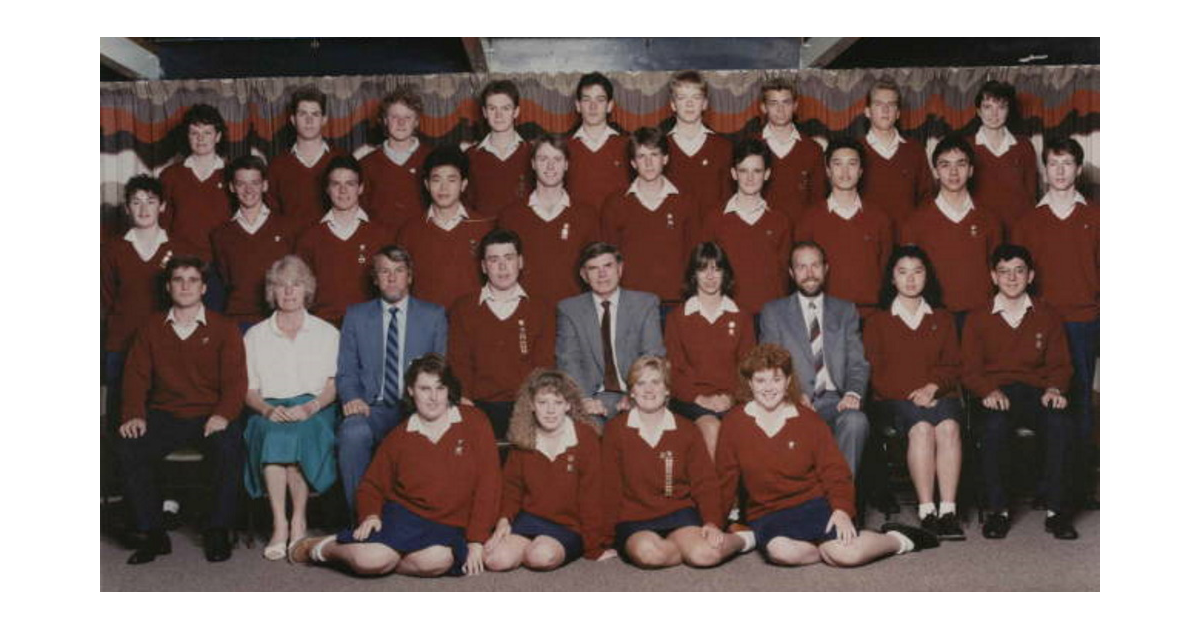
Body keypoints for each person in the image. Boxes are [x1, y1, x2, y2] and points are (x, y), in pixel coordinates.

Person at [714, 344, 938, 566]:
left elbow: (835, 472)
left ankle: (898, 539)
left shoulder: (809, 420)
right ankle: (826, 549)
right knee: (782, 553)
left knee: (846, 556)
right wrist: (713, 523)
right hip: (768, 512)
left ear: (788, 381)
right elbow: (725, 479)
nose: (769, 387)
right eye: (761, 380)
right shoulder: (734, 423)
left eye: (776, 379)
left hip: (814, 503)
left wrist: (841, 510)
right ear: (750, 383)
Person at [290, 354, 501, 577]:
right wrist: (371, 515)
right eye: (424, 389)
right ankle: (319, 548)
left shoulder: (475, 421)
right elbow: (371, 485)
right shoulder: (400, 436)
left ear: (449, 390)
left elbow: (489, 484)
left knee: (437, 561)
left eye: (440, 388)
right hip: (405, 517)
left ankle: (387, 559)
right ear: (411, 391)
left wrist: (477, 540)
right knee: (371, 561)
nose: (433, 398)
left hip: (451, 524)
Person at [115, 255, 247, 564]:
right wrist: (133, 414)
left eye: (193, 280)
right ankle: (152, 532)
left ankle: (217, 529)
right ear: (168, 287)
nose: (185, 286)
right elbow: (135, 377)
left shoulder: (224, 328)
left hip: (209, 413)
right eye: (178, 280)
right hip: (166, 413)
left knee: (230, 446)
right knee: (128, 446)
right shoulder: (150, 328)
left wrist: (223, 414)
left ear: (203, 288)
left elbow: (235, 382)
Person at [962, 244, 1077, 540]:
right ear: (993, 276)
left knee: (1060, 424)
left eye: (1018, 271)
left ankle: (1057, 511)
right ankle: (998, 511)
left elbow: (1061, 363)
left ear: (1030, 275)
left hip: (1036, 391)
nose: (1011, 278)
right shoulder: (978, 317)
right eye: (1003, 272)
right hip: (996, 392)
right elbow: (969, 369)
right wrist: (987, 390)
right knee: (994, 428)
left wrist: (1055, 387)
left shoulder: (1047, 314)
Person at [1011, 137, 1099, 509]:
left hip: (1085, 320)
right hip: (1043, 323)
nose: (1060, 171)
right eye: (1053, 164)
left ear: (1078, 169)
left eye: (1067, 164)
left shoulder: (1097, 216)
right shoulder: (1029, 222)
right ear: (1044, 171)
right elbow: (1016, 280)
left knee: (1079, 401)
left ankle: (1075, 488)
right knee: (1047, 402)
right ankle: (1047, 483)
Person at [600, 356, 744, 568]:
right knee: (649, 555)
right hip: (634, 517)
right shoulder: (615, 430)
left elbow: (705, 482)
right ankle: (682, 547)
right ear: (631, 391)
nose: (649, 389)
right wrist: (602, 538)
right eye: (641, 383)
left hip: (678, 511)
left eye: (656, 382)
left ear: (667, 389)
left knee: (706, 556)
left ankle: (744, 539)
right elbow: (607, 487)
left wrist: (712, 523)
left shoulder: (687, 429)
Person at [241, 255, 340, 561]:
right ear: (272, 291)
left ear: (306, 289)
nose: (288, 292)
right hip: (268, 410)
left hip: (314, 409)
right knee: (273, 434)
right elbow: (248, 390)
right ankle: (279, 524)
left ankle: (298, 519)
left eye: (295, 284)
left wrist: (311, 407)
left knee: (298, 434)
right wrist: (266, 410)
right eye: (281, 285)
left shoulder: (327, 332)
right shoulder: (255, 335)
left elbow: (333, 386)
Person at [863, 245, 965, 540]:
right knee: (921, 428)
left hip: (940, 395)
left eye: (918, 272)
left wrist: (933, 387)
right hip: (895, 400)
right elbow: (876, 373)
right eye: (902, 272)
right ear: (892, 279)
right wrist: (915, 395)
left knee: (947, 427)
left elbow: (954, 364)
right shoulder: (877, 321)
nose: (910, 279)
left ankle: (948, 510)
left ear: (927, 277)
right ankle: (926, 511)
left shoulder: (942, 318)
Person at [336, 245, 448, 513]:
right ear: (375, 278)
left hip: (414, 407)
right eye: (384, 271)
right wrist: (352, 398)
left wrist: (427, 405)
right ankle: (361, 520)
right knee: (352, 433)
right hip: (370, 407)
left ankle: (417, 520)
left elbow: (440, 371)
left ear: (409, 276)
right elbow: (346, 370)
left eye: (398, 271)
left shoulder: (433, 316)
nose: (391, 278)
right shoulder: (356, 315)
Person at [759, 242, 870, 476]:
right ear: (791, 273)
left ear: (826, 269)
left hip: (836, 400)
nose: (809, 274)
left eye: (815, 266)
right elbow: (769, 365)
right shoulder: (773, 312)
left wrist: (853, 393)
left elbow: (857, 362)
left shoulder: (845, 310)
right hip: (792, 400)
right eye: (801, 267)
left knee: (856, 422)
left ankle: (841, 503)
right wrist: (792, 394)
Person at [483, 369, 607, 571]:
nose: (550, 410)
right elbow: (511, 490)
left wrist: (594, 547)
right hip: (530, 519)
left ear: (568, 405)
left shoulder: (584, 437)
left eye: (557, 403)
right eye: (543, 403)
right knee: (495, 560)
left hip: (568, 525)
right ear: (531, 404)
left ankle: (538, 546)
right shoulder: (523, 436)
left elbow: (592, 497)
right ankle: (529, 545)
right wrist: (504, 521)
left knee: (540, 556)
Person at [448, 228, 556, 439]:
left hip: (526, 405)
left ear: (521, 262)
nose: (502, 266)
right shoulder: (464, 308)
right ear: (484, 267)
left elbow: (544, 363)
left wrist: (531, 407)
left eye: (509, 258)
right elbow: (459, 362)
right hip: (478, 405)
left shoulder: (541, 308)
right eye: (494, 259)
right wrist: (466, 402)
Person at [899, 135, 1002, 331]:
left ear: (971, 170)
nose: (953, 172)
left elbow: (998, 274)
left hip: (980, 317)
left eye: (961, 164)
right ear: (935, 171)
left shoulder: (990, 220)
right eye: (945, 165)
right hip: (933, 317)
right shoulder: (915, 222)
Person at [555, 242, 666, 421]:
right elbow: (569, 361)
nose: (602, 274)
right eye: (593, 268)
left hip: (637, 393)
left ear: (620, 269)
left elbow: (652, 356)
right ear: (584, 275)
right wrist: (583, 399)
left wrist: (635, 395)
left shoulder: (645, 304)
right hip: (592, 396)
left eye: (608, 266)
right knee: (586, 430)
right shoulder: (569, 310)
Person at [664, 242, 755, 459]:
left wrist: (730, 398)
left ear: (725, 273)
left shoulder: (741, 317)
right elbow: (674, 369)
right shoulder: (677, 318)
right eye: (703, 268)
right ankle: (714, 494)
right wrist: (699, 399)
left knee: (745, 431)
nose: (710, 275)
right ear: (694, 274)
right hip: (689, 400)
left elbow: (748, 368)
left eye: (717, 268)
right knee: (712, 428)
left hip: (732, 399)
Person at [102, 175, 179, 424]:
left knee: (159, 420)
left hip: (166, 345)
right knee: (119, 418)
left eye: (151, 201)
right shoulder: (112, 250)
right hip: (121, 344)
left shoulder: (179, 248)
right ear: (126, 208)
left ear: (163, 206)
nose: (144, 209)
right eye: (136, 202)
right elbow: (103, 301)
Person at [601, 126, 700, 308]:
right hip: (630, 303)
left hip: (675, 302)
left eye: (654, 155)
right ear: (633, 162)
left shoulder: (686, 201)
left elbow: (693, 256)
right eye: (641, 156)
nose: (648, 163)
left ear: (665, 159)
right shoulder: (616, 203)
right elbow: (608, 260)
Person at [793, 138, 892, 318]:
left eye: (852, 164)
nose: (845, 172)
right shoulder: (809, 219)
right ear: (828, 170)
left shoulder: (879, 219)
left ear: (861, 171)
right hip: (825, 315)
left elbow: (886, 271)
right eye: (838, 164)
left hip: (871, 315)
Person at [498, 134, 601, 306]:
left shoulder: (586, 214)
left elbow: (596, 270)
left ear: (566, 164)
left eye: (557, 159)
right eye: (543, 159)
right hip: (525, 310)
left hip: (574, 312)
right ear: (533, 164)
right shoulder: (510, 216)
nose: (550, 166)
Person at [294, 155, 394, 326]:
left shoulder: (381, 235)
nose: (343, 191)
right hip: (322, 327)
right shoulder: (309, 238)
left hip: (370, 326)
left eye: (350, 184)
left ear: (360, 188)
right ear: (327, 189)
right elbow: (299, 292)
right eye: (336, 184)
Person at [700, 137, 793, 316]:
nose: (750, 178)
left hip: (770, 316)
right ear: (734, 173)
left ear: (767, 174)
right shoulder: (715, 219)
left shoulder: (780, 221)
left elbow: (784, 277)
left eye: (757, 171)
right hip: (727, 314)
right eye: (743, 171)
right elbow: (705, 273)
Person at [397, 145, 497, 309]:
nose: (443, 188)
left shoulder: (483, 227)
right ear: (427, 184)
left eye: (451, 180)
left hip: (472, 322)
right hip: (426, 325)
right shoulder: (409, 232)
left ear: (463, 184)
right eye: (436, 180)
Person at [210, 155, 296, 329]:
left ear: (265, 185)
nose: (248, 190)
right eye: (241, 184)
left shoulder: (287, 227)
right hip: (236, 321)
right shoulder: (221, 235)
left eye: (255, 183)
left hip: (278, 319)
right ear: (232, 187)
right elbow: (224, 282)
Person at [858, 78, 935, 227]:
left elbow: (927, 198)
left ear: (898, 113)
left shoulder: (915, 151)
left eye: (891, 105)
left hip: (907, 242)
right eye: (878, 104)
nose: (885, 110)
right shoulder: (854, 151)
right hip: (867, 239)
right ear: (867, 111)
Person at [159, 103, 230, 264]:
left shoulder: (232, 174)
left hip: (222, 263)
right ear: (187, 136)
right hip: (181, 263)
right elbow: (161, 224)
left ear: (218, 136)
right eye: (194, 133)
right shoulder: (170, 176)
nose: (201, 138)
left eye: (207, 132)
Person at [267, 86, 345, 228]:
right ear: (293, 119)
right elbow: (272, 217)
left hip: (333, 245)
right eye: (303, 114)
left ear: (324, 120)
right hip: (292, 247)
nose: (309, 121)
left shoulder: (342, 160)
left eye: (315, 114)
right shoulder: (277, 166)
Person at [969, 80, 1040, 236]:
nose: (994, 114)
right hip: (980, 231)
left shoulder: (1024, 146)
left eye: (1001, 107)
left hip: (1019, 230)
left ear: (1009, 110)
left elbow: (1031, 193)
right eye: (988, 107)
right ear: (979, 111)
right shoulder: (966, 146)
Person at [663, 70, 733, 225]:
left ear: (705, 103)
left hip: (712, 235)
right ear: (673, 104)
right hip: (672, 234)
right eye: (682, 98)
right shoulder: (660, 148)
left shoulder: (723, 148)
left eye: (696, 97)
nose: (689, 104)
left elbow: (729, 201)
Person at [360, 86, 433, 232]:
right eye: (395, 117)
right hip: (380, 245)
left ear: (417, 121)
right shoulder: (366, 164)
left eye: (407, 117)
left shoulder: (433, 159)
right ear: (385, 120)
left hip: (421, 240)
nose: (401, 123)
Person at [757, 77, 827, 220]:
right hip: (759, 234)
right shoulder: (750, 145)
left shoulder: (812, 149)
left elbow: (818, 201)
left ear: (795, 106)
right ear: (763, 107)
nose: (780, 109)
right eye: (773, 103)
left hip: (801, 236)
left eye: (786, 102)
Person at [465, 79, 532, 218]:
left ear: (516, 112)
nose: (498, 115)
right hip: (483, 235)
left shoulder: (533, 153)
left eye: (505, 108)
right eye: (492, 108)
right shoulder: (470, 156)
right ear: (484, 112)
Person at [565, 72, 631, 211]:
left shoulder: (628, 146)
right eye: (587, 100)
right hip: (577, 228)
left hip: (618, 229)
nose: (593, 106)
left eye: (600, 100)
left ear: (610, 105)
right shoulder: (563, 148)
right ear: (578, 105)